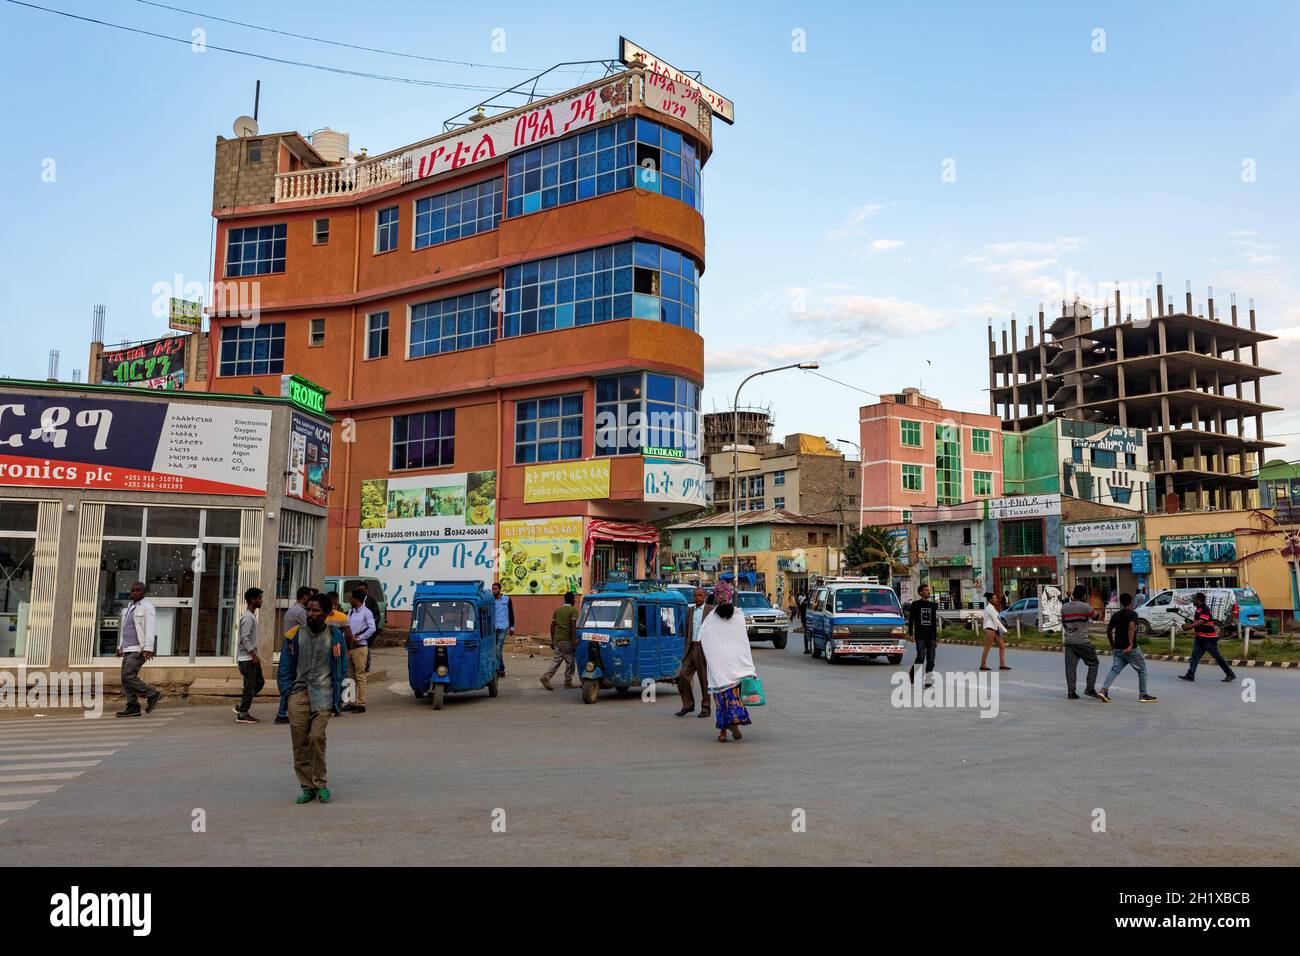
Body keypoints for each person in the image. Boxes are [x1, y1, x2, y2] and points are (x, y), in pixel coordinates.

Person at [278, 593, 348, 804]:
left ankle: (321, 783)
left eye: (315, 610)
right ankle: (307, 787)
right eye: (308, 609)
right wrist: (287, 692)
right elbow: (284, 668)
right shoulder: (294, 636)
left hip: (324, 695)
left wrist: (340, 698)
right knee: (299, 744)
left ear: (327, 614)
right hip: (298, 695)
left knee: (316, 738)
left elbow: (342, 668)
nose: (310, 614)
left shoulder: (336, 637)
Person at [698, 581, 755, 743]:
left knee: (720, 702)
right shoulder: (738, 616)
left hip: (718, 671)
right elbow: (743, 644)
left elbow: (701, 639)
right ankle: (733, 722)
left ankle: (723, 732)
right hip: (735, 669)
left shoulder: (710, 619)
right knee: (733, 698)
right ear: (730, 597)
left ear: (716, 598)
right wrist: (748, 667)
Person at [114, 581, 162, 718]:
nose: (134, 593)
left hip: (139, 648)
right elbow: (126, 628)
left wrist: (148, 648)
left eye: (137, 591)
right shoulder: (131, 606)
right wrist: (121, 647)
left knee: (128, 675)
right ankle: (133, 706)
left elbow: (150, 627)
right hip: (128, 647)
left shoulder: (147, 606)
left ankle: (151, 694)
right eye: (133, 590)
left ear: (143, 592)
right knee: (125, 679)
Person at [1098, 593, 1158, 703]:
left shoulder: (1115, 615)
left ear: (1121, 602)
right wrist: (1130, 644)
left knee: (1115, 669)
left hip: (1118, 648)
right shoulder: (1133, 614)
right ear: (1130, 602)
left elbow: (1108, 630)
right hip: (1130, 649)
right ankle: (1143, 694)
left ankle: (1103, 690)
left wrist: (1112, 644)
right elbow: (1131, 627)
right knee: (1142, 669)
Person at [1179, 592, 1236, 683]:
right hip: (1200, 638)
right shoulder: (1198, 609)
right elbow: (1197, 621)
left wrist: (1189, 627)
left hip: (1208, 639)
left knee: (1218, 657)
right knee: (1194, 657)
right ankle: (1190, 674)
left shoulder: (1205, 609)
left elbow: (1201, 621)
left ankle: (1230, 674)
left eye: (1194, 599)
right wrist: (1188, 625)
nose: (1193, 601)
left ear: (1198, 600)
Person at [277, 586, 314, 724]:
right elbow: (310, 627)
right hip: (294, 648)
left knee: (292, 681)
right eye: (310, 597)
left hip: (291, 647)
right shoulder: (300, 612)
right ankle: (283, 712)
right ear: (304, 597)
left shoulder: (293, 610)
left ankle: (283, 712)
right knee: (294, 681)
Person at [675, 586, 713, 717]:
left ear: (705, 596)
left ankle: (706, 708)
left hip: (704, 649)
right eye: (695, 595)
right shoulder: (689, 611)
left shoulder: (711, 610)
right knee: (682, 675)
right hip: (691, 648)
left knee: (704, 681)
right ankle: (688, 705)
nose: (697, 598)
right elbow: (686, 630)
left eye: (699, 595)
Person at [1061, 584, 1101, 700]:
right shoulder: (1085, 607)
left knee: (1070, 668)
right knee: (1094, 663)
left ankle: (1071, 692)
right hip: (1082, 641)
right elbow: (1096, 617)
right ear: (1084, 595)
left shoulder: (1064, 607)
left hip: (1069, 641)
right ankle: (1089, 688)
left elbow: (1064, 623)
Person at [235, 587, 266, 723]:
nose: (261, 601)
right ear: (253, 600)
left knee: (259, 683)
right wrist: (253, 655)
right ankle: (243, 713)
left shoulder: (251, 615)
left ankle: (242, 706)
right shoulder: (248, 617)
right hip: (247, 659)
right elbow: (245, 638)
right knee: (250, 686)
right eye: (259, 599)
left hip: (250, 657)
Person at [344, 588, 376, 713]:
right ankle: (351, 702)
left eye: (352, 598)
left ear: (356, 600)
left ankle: (361, 703)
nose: (350, 600)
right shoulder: (351, 611)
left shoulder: (366, 612)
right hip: (350, 647)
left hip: (360, 647)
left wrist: (360, 637)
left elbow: (372, 628)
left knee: (360, 676)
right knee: (350, 676)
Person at [540, 592, 579, 691]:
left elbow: (552, 626)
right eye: (574, 598)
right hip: (566, 639)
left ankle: (546, 676)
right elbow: (573, 626)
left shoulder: (557, 611)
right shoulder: (573, 611)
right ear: (572, 600)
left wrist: (553, 640)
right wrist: (574, 639)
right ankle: (568, 682)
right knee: (570, 661)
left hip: (557, 638)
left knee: (557, 659)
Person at [908, 582, 940, 685]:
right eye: (926, 590)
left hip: (930, 636)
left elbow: (934, 623)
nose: (928, 592)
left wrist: (935, 638)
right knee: (920, 658)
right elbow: (911, 619)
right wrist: (911, 634)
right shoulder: (915, 604)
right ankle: (912, 674)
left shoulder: (932, 605)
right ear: (921, 592)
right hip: (920, 635)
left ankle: (928, 679)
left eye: (928, 590)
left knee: (931, 659)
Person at [979, 592, 1011, 671]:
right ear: (990, 600)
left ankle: (1002, 664)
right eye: (994, 598)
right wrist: (1005, 630)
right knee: (987, 647)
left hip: (994, 629)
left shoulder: (992, 607)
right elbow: (996, 621)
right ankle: (983, 665)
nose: (996, 600)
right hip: (990, 629)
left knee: (1002, 646)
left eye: (996, 598)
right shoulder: (989, 608)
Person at [490, 581, 515, 678]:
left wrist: (512, 627)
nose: (494, 591)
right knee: (495, 650)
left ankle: (500, 669)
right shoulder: (491, 601)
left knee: (498, 648)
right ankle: (501, 668)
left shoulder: (507, 599)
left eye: (495, 589)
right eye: (493, 589)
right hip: (493, 628)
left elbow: (511, 613)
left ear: (500, 590)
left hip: (504, 627)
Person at [356, 581, 381, 673]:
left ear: (366, 590)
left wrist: (371, 623)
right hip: (359, 629)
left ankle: (366, 666)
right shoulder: (356, 602)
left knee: (365, 645)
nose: (361, 591)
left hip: (369, 629)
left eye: (363, 589)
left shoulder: (371, 601)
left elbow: (377, 615)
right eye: (359, 590)